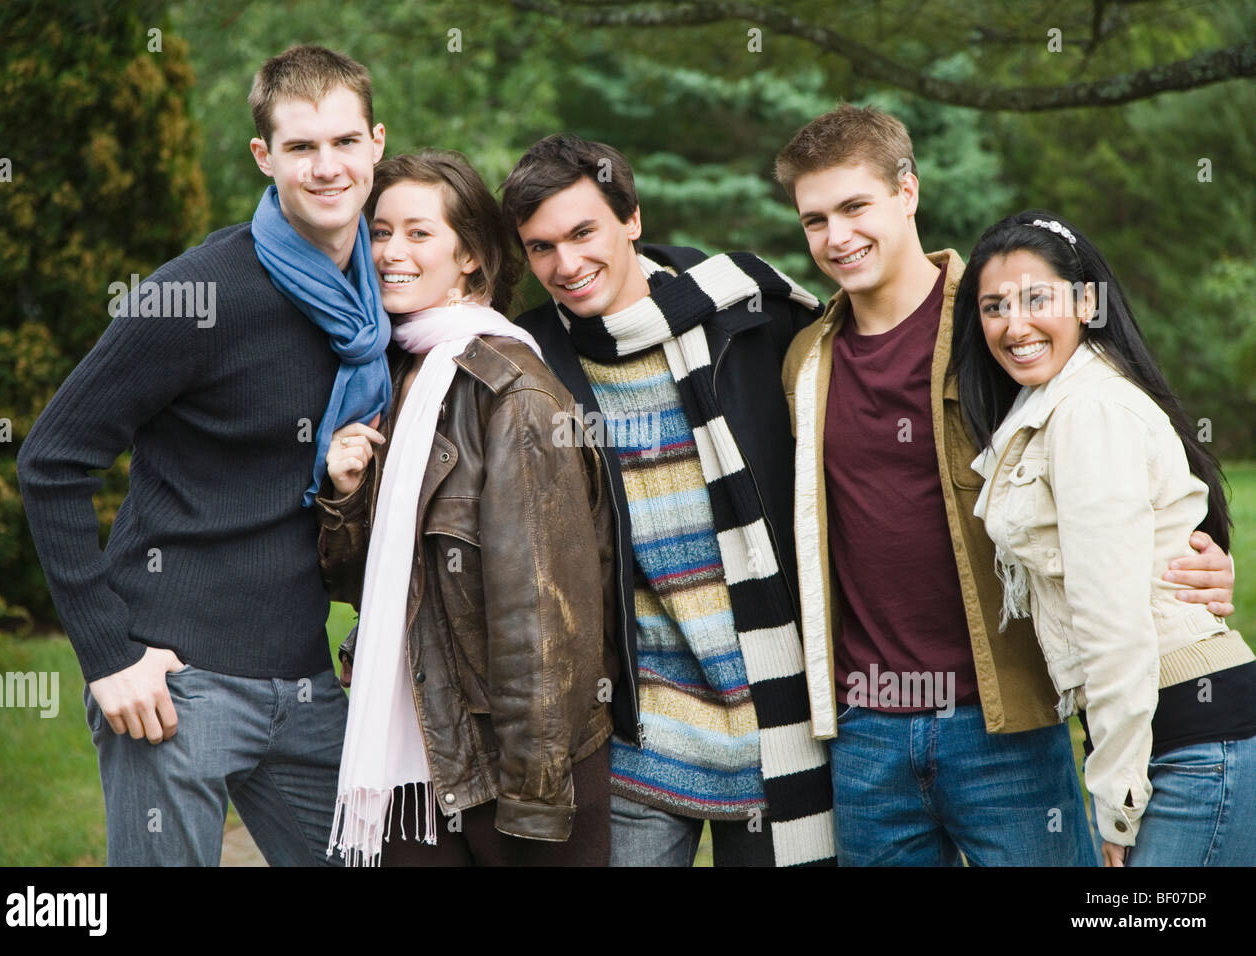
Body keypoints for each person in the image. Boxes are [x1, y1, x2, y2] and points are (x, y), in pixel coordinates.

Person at [776, 104, 1238, 866]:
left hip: (1005, 721)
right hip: (867, 731)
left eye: (856, 206)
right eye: (814, 220)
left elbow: (1129, 443)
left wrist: (1196, 556)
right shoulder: (806, 360)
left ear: (908, 192)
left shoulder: (1002, 323)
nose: (836, 237)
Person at [16, 45, 386, 866]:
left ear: (376, 146)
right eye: (300, 147)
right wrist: (109, 656)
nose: (327, 167)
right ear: (264, 156)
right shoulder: (201, 293)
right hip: (175, 681)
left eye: (344, 142)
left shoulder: (375, 298)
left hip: (304, 675)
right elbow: (49, 460)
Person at [503, 134, 835, 867]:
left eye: (583, 232)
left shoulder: (751, 317)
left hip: (779, 724)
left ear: (631, 219)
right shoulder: (529, 367)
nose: (566, 264)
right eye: (541, 247)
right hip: (638, 737)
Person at [316, 150, 617, 866]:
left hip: (509, 767)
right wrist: (346, 496)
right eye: (380, 231)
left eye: (419, 234)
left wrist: (537, 798)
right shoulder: (390, 375)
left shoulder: (510, 392)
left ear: (472, 261)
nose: (391, 251)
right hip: (416, 748)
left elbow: (541, 617)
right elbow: (360, 587)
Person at [952, 210, 1256, 867]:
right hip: (1178, 732)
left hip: (1191, 741)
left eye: (1038, 298)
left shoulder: (1086, 412)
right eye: (994, 306)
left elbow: (1111, 621)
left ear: (1087, 301)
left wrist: (1117, 801)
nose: (1014, 324)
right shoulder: (1057, 405)